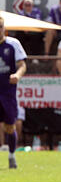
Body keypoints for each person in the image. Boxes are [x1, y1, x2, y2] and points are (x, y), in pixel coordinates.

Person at [0, 16, 27, 169]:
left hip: (7, 92)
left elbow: (23, 65)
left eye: (0, 26)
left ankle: (11, 155)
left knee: (10, 126)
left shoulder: (13, 44)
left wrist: (17, 75)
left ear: (4, 28)